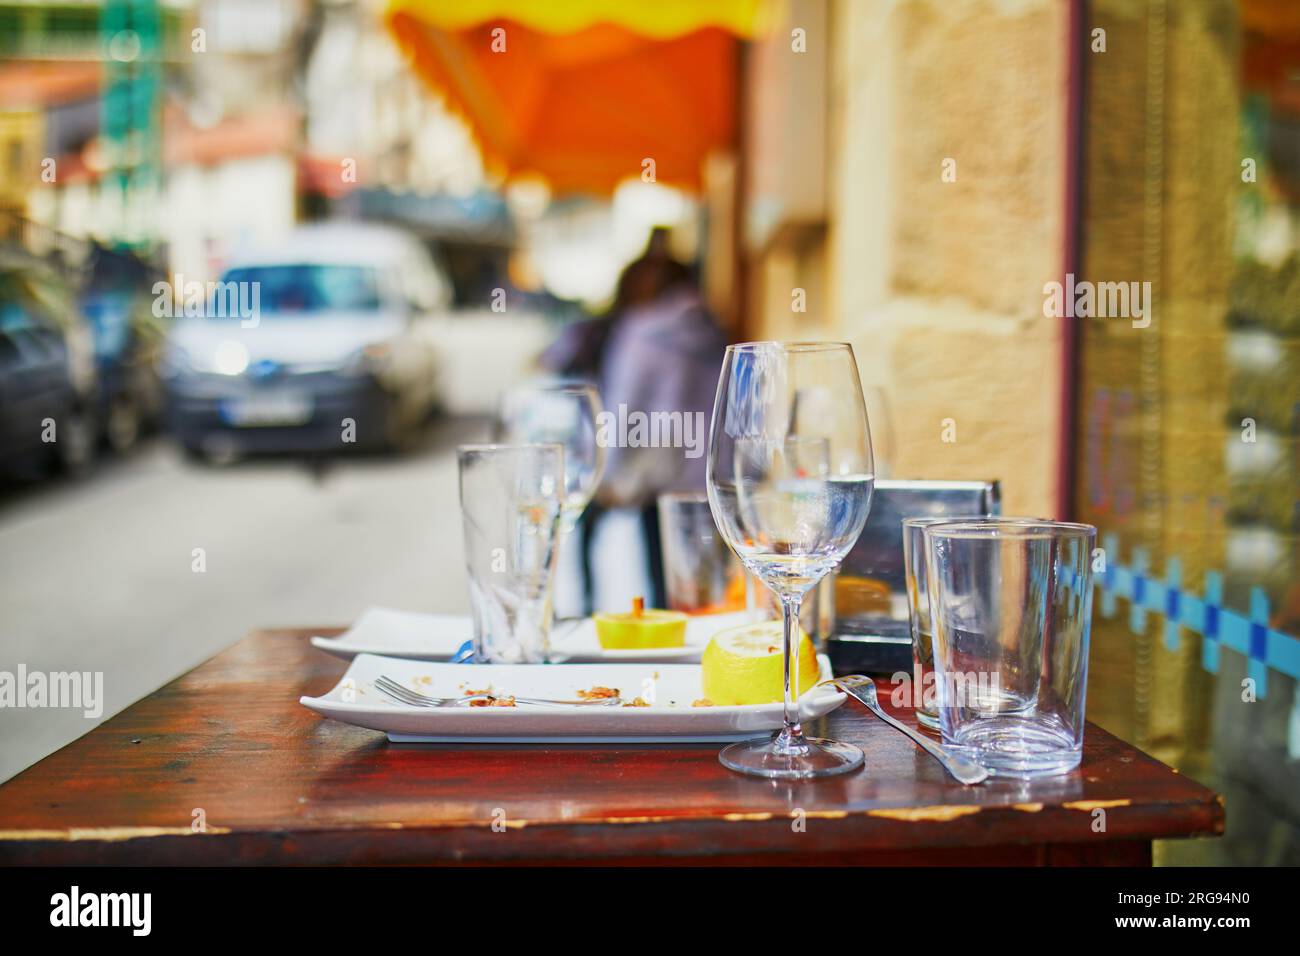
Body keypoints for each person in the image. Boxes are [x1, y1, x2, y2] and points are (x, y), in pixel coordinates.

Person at [541, 228, 726, 611]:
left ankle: (591, 610)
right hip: (711, 479)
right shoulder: (710, 330)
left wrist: (608, 474)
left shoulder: (640, 333)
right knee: (707, 584)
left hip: (657, 480)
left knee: (661, 579)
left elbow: (623, 413)